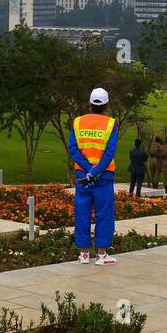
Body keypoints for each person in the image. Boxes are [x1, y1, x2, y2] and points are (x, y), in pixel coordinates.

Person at [68, 87, 120, 265]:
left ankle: (83, 254)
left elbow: (73, 149)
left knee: (82, 212)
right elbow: (109, 152)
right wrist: (95, 172)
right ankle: (101, 255)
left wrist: (88, 171)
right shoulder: (111, 124)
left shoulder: (77, 122)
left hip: (83, 175)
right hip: (103, 176)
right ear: (106, 104)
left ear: (89, 103)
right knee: (104, 214)